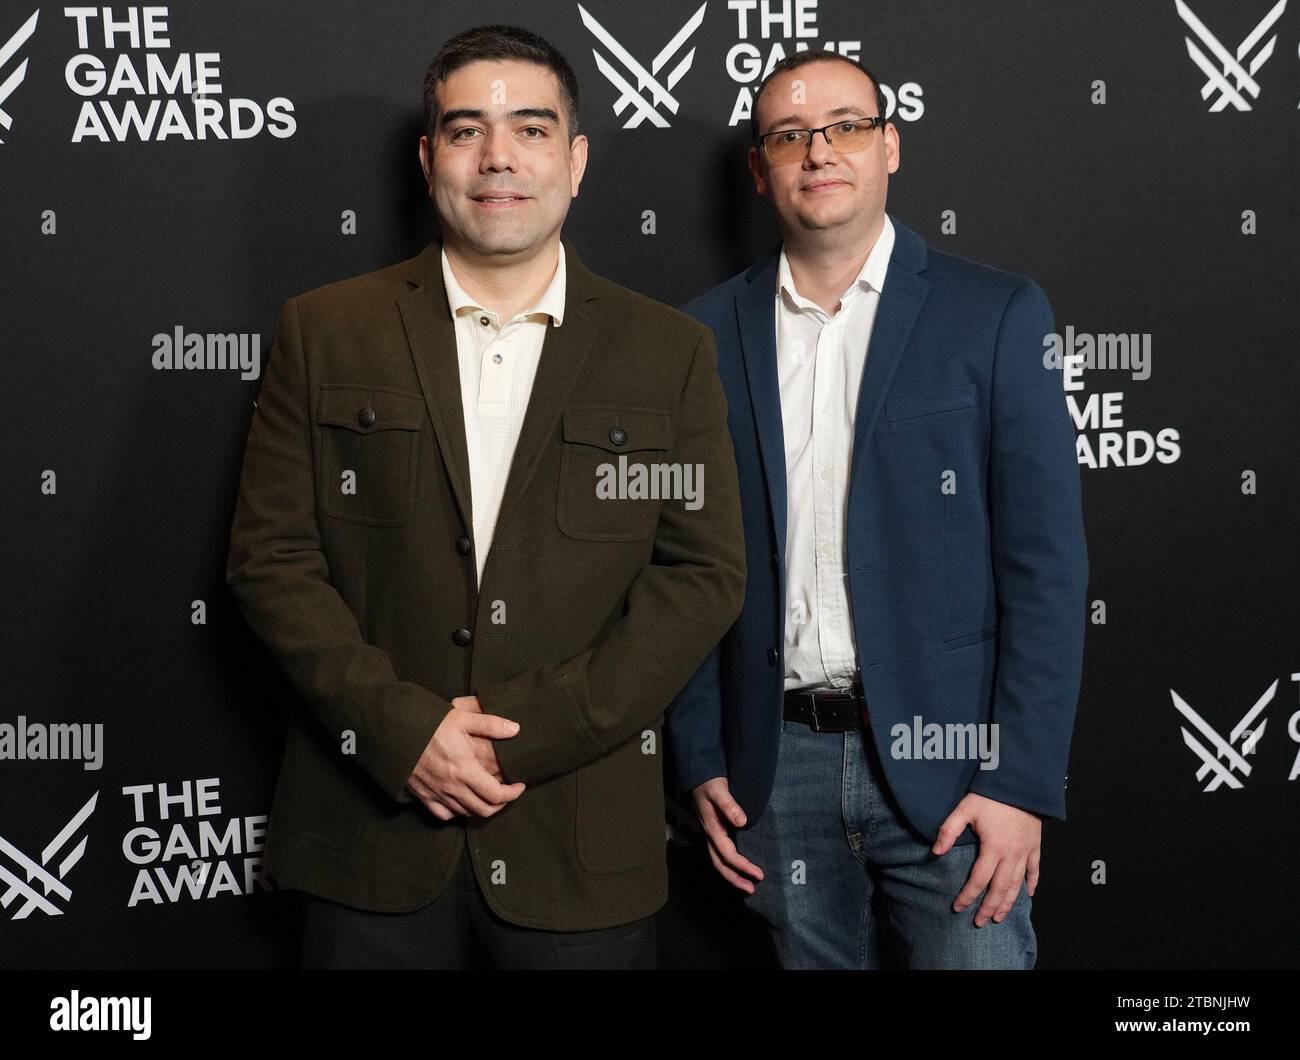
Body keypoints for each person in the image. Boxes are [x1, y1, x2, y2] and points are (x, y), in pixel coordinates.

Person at [225, 24, 745, 970]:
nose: (498, 155)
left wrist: (516, 742)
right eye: (466, 130)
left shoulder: (667, 352)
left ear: (577, 160)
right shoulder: (325, 330)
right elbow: (271, 561)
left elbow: (699, 578)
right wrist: (403, 733)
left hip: (580, 851)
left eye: (532, 129)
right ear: (429, 160)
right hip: (367, 845)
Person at [666, 51, 1088, 969]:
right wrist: (700, 755)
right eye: (788, 135)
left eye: (846, 126)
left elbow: (1047, 568)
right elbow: (681, 565)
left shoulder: (997, 314)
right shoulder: (698, 337)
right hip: (774, 773)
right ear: (759, 165)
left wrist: (1018, 781)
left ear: (889, 145)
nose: (819, 151)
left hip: (955, 772)